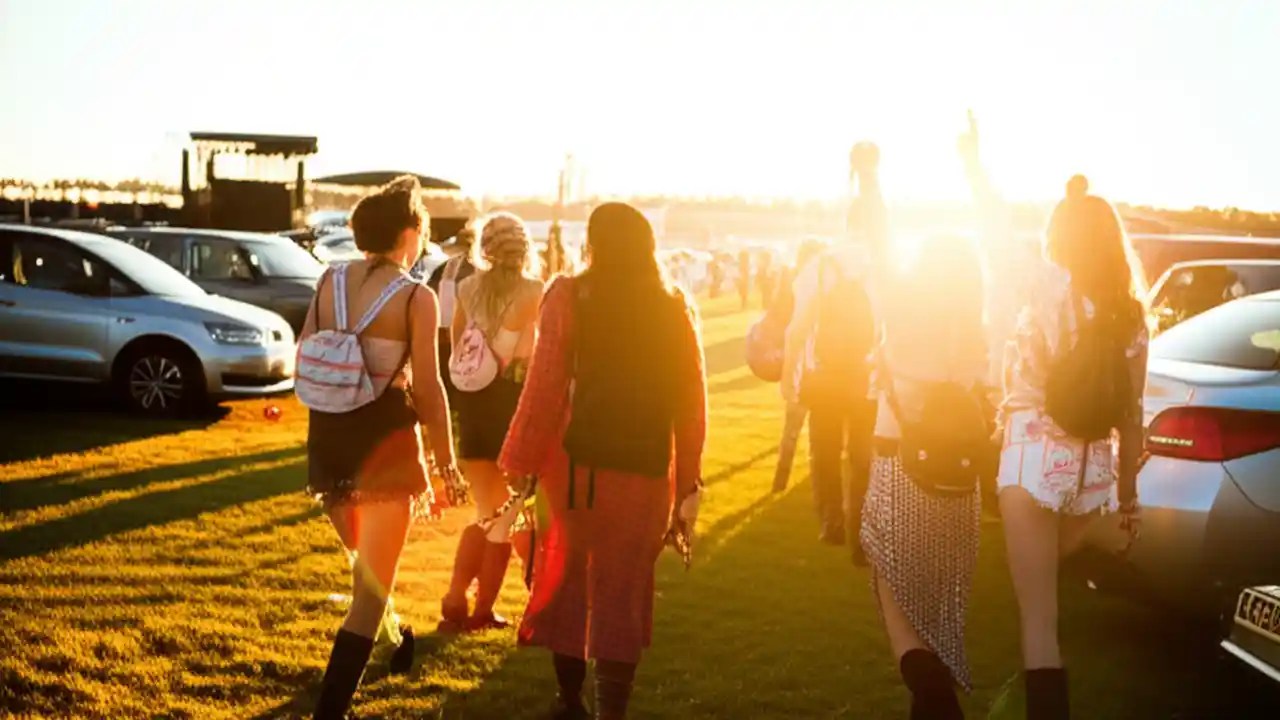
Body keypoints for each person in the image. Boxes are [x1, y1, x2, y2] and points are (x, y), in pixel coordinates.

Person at [499, 202, 707, 720]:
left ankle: (570, 702)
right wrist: (687, 484)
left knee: (567, 580)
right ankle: (611, 708)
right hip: (646, 470)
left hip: (574, 470)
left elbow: (543, 387)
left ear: (593, 243)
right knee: (623, 588)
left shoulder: (568, 294)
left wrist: (520, 462)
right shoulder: (673, 304)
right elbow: (691, 402)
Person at [299, 176, 461, 719]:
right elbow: (432, 389)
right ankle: (332, 710)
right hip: (386, 445)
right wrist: (446, 466)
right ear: (411, 234)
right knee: (368, 594)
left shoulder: (328, 281)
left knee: (364, 572)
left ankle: (399, 639)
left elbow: (307, 350)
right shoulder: (417, 296)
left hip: (327, 440)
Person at [995, 176, 1148, 719]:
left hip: (1032, 465)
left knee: (1039, 623)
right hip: (1089, 480)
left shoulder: (1047, 286)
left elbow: (995, 222)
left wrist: (971, 161)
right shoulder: (1130, 316)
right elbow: (1132, 421)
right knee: (1047, 601)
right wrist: (1127, 501)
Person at [860, 235, 990, 719]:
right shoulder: (973, 337)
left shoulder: (903, 324)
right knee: (935, 622)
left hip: (900, 472)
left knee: (904, 627)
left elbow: (876, 237)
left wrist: (868, 175)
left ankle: (942, 706)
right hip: (958, 487)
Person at [440, 213, 544, 632]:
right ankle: (481, 610)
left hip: (474, 408)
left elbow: (458, 351)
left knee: (487, 512)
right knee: (508, 514)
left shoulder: (467, 287)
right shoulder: (534, 291)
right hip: (512, 408)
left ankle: (454, 599)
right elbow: (539, 359)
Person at [781, 142, 884, 555]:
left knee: (823, 447)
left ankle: (831, 519)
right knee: (863, 452)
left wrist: (789, 373)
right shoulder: (885, 263)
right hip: (867, 372)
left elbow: (797, 328)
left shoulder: (824, 263)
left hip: (824, 372)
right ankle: (862, 530)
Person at [770, 237, 828, 493]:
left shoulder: (797, 288)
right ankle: (818, 488)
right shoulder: (822, 290)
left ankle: (780, 483)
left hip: (803, 371)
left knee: (791, 431)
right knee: (820, 436)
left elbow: (788, 330)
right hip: (820, 371)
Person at [427, 227, 477, 404]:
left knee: (446, 388)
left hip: (441, 336)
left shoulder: (443, 269)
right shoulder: (480, 272)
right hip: (470, 339)